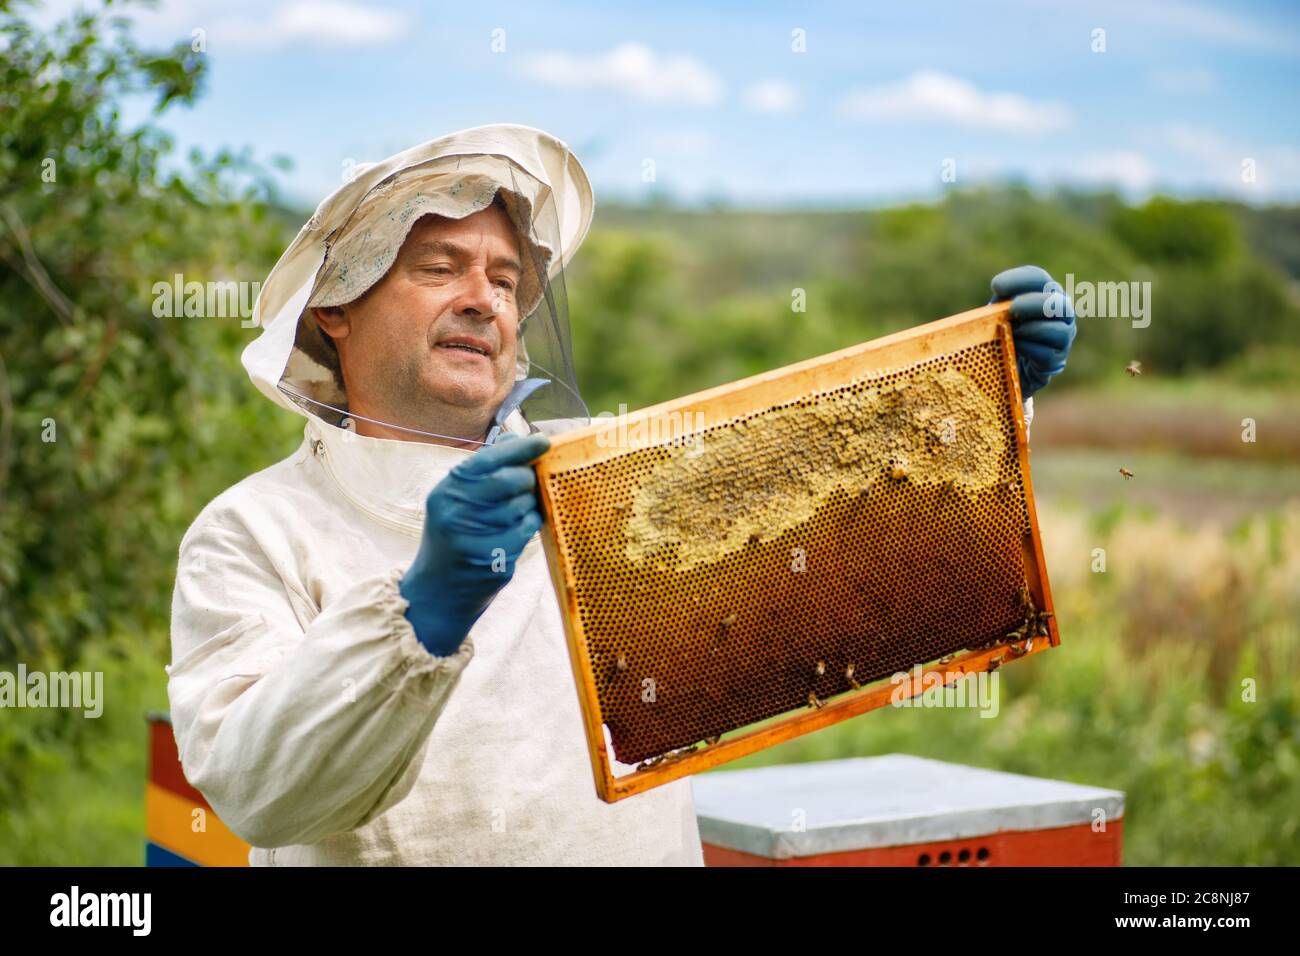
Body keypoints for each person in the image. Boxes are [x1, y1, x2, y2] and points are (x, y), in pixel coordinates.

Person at [165, 123, 1076, 866]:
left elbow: (834, 502)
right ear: (338, 306)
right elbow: (257, 792)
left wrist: (984, 400)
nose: (484, 299)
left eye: (507, 278)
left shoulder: (607, 479)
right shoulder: (255, 531)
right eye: (440, 267)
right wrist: (420, 614)